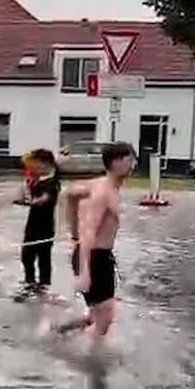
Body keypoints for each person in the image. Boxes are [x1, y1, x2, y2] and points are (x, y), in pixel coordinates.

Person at [54, 142, 135, 341]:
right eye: (130, 160)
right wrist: (84, 273)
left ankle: (57, 333)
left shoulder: (100, 185)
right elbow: (89, 232)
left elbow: (68, 194)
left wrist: (73, 229)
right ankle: (91, 359)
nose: (133, 164)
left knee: (95, 315)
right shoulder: (103, 191)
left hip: (100, 256)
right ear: (116, 162)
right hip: (93, 257)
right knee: (106, 315)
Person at [20, 149, 60, 293]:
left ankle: (44, 283)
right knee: (26, 254)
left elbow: (46, 198)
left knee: (44, 255)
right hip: (33, 221)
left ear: (46, 164)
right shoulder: (38, 179)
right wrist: (26, 192)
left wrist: (32, 202)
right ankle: (29, 280)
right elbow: (29, 193)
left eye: (37, 164)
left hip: (46, 224)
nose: (34, 167)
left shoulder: (53, 181)